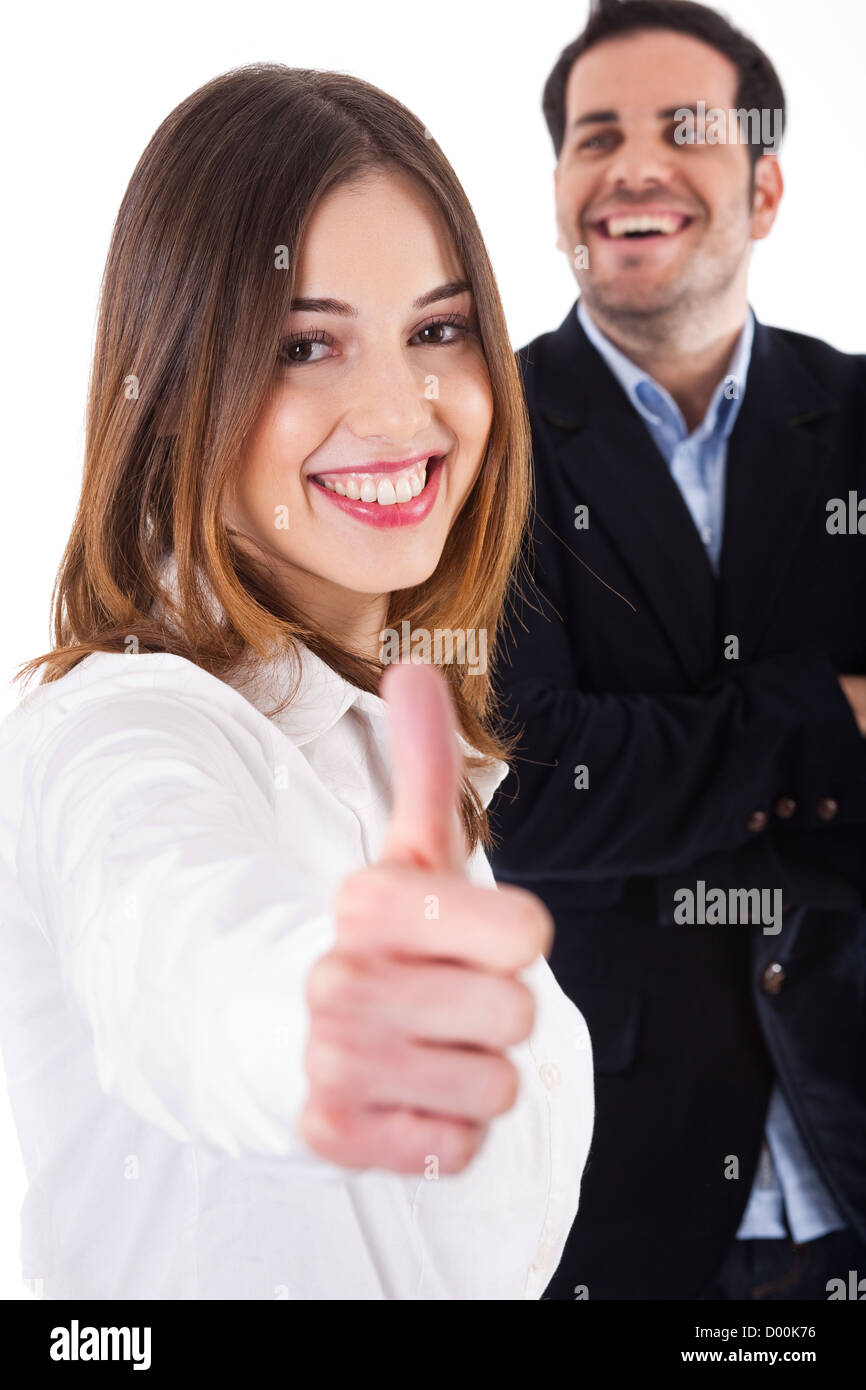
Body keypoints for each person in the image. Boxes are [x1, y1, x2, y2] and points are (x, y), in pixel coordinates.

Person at [0, 63, 594, 1301]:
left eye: (436, 331)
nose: (399, 407)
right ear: (167, 394)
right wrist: (326, 1020)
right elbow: (179, 950)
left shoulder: (400, 747)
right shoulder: (125, 722)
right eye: (304, 345)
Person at [490, 0, 866, 1300]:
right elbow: (525, 784)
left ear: (761, 185)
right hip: (612, 1192)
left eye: (682, 131)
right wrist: (831, 718)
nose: (631, 166)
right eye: (595, 137)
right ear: (558, 196)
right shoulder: (491, 447)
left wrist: (658, 757)